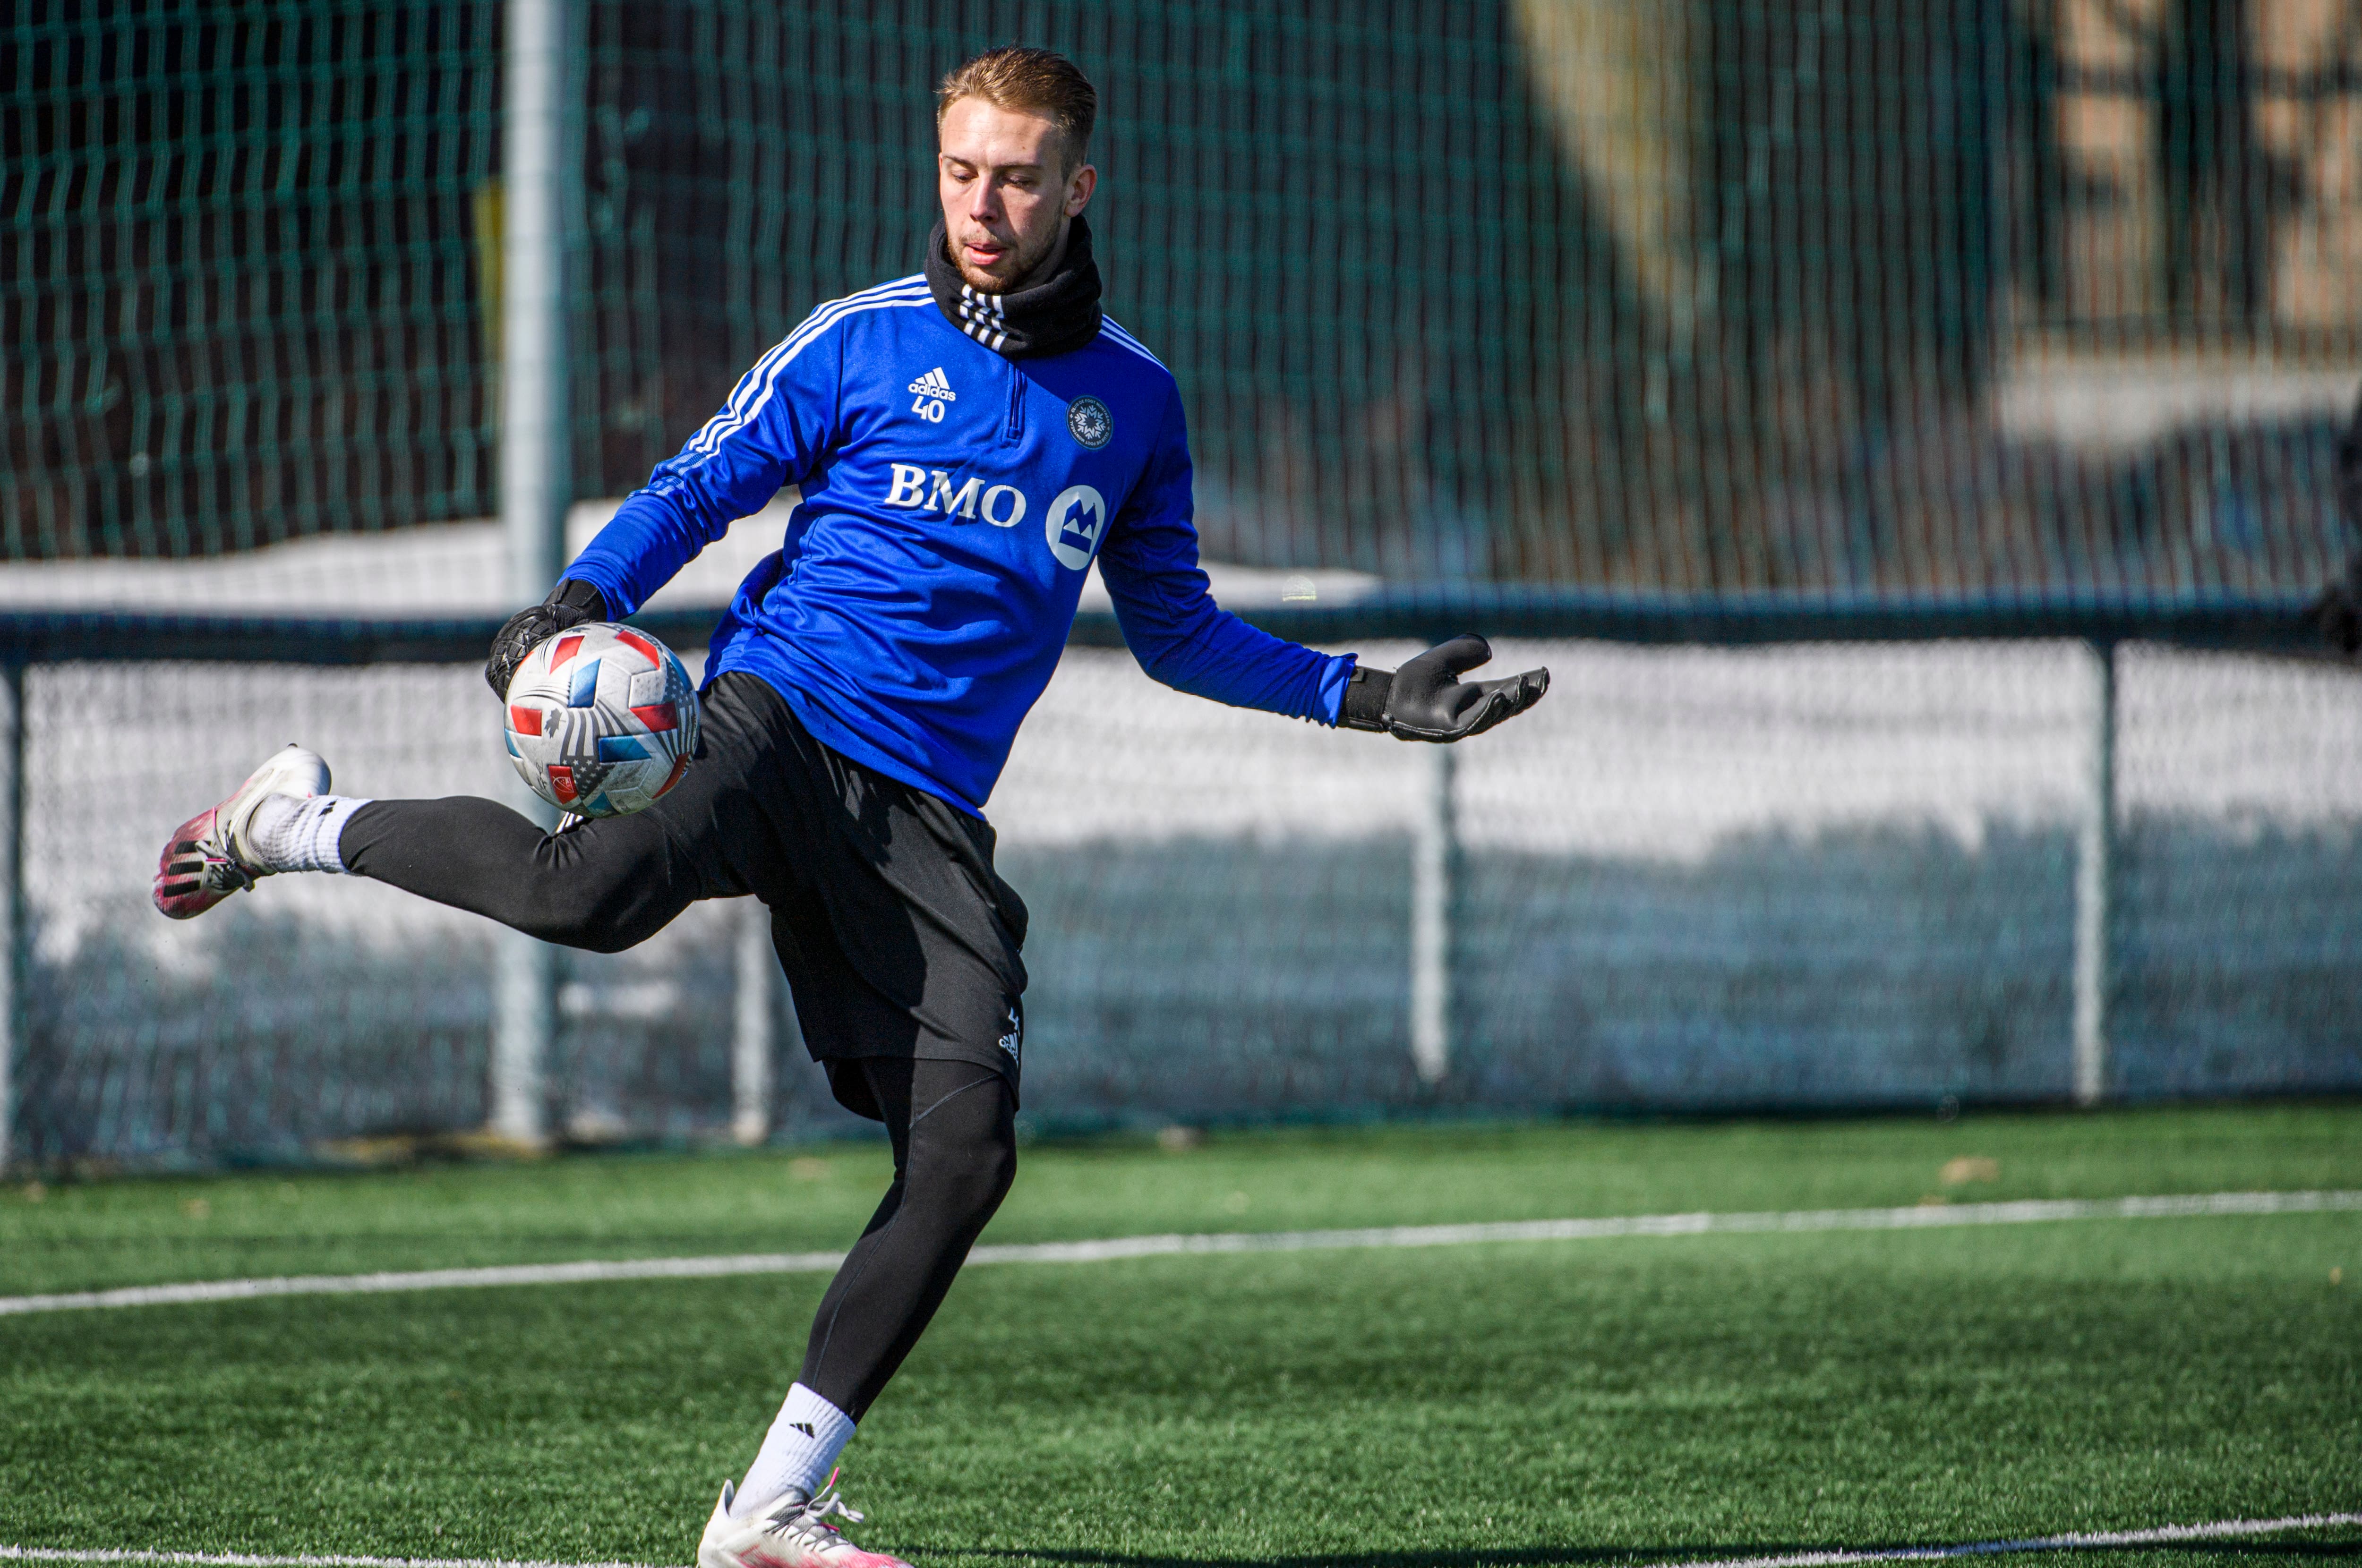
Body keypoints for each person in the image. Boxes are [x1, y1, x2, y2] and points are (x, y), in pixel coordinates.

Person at [152, 45, 1548, 1568]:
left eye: (1017, 176)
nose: (983, 204)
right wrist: (580, 599)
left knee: (963, 1157)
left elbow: (1178, 630)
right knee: (585, 899)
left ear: (1079, 188)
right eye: (961, 170)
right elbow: (699, 485)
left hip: (928, 816)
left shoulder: (1132, 401)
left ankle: (764, 1510)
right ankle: (295, 822)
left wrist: (1358, 694)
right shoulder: (858, 343)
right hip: (774, 716)